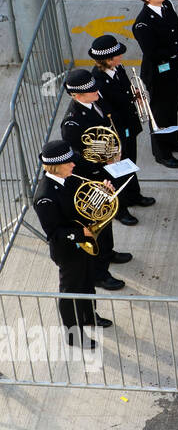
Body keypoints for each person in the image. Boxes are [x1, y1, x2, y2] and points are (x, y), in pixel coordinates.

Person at [32, 140, 113, 349]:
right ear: (56, 167)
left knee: (87, 282)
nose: (74, 165)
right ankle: (73, 336)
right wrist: (81, 233)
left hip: (84, 243)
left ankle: (88, 315)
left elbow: (82, 204)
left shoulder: (70, 178)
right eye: (69, 163)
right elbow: (54, 233)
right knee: (70, 292)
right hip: (67, 250)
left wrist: (102, 193)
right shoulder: (45, 197)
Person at [58, 69, 131, 291]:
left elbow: (108, 126)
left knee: (107, 220)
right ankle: (99, 272)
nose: (96, 91)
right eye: (91, 90)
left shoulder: (95, 102)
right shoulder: (71, 123)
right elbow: (77, 159)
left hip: (106, 171)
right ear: (77, 96)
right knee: (98, 222)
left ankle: (108, 253)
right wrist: (103, 163)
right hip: (92, 178)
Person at [130, 0, 178, 168]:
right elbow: (153, 53)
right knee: (159, 114)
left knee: (172, 108)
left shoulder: (167, 7)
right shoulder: (142, 23)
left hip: (174, 68)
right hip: (157, 73)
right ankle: (161, 152)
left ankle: (173, 141)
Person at [88, 34, 154, 215]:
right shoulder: (98, 81)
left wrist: (135, 96)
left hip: (128, 126)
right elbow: (108, 110)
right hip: (117, 130)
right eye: (118, 55)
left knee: (130, 163)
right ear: (108, 59)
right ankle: (120, 209)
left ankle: (134, 195)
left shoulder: (118, 69)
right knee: (117, 170)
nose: (121, 57)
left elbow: (124, 92)